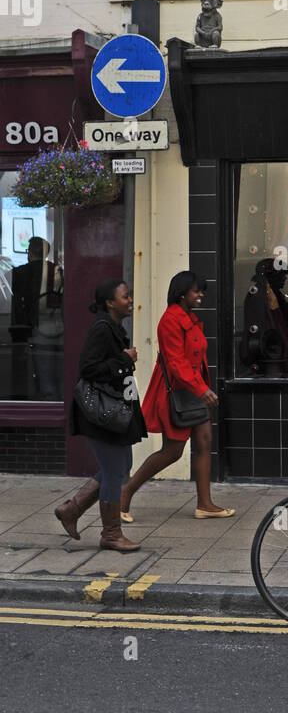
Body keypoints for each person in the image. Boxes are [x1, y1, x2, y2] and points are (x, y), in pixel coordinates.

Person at [119, 271, 235, 521]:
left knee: (204, 443)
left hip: (195, 390)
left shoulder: (187, 318)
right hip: (179, 391)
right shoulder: (170, 320)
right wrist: (201, 389)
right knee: (172, 451)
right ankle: (124, 493)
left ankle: (205, 504)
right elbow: (176, 364)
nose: (201, 295)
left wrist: (201, 388)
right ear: (182, 293)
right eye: (197, 291)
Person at [55, 278, 146, 552]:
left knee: (121, 465)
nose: (130, 300)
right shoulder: (102, 329)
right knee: (114, 470)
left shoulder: (114, 327)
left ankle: (72, 509)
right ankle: (110, 534)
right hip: (101, 412)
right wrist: (125, 360)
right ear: (110, 302)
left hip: (114, 410)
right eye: (125, 296)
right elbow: (88, 369)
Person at [11, 236, 64, 398]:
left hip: (37, 329)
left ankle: (49, 409)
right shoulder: (57, 270)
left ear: (29, 253)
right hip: (60, 326)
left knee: (45, 375)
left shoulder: (19, 273)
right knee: (61, 373)